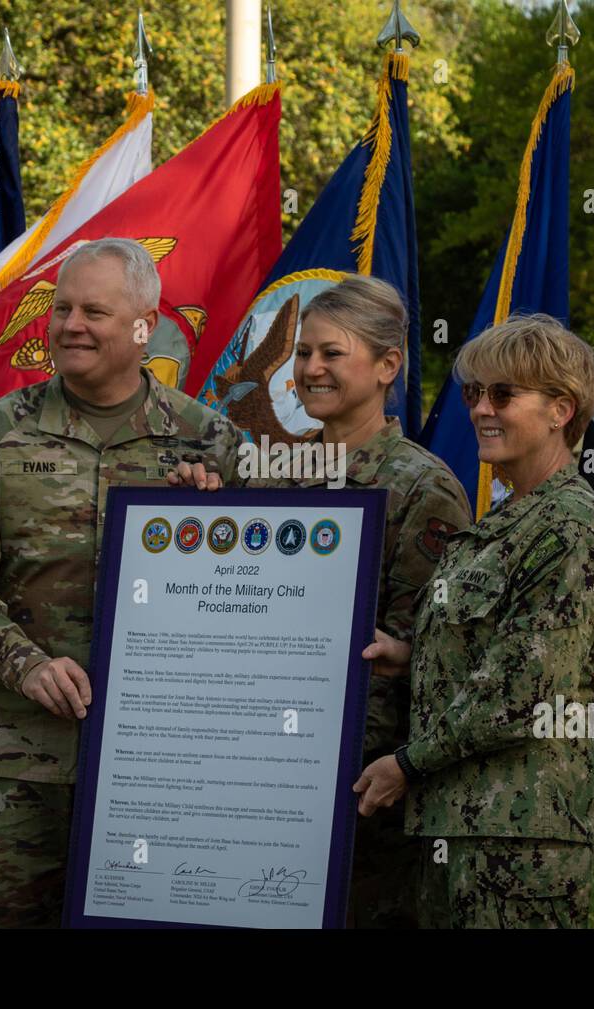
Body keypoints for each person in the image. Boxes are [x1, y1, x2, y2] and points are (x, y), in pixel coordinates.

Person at [0, 237, 237, 928]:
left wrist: (214, 520)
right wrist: (23, 664)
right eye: (62, 308)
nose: (71, 325)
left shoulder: (208, 441)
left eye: (95, 310)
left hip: (165, 762)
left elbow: (250, 596)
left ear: (144, 326)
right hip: (22, 756)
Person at [179, 275, 471, 927]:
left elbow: (436, 657)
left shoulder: (425, 491)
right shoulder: (267, 473)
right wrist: (185, 515)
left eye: (331, 354)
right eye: (303, 352)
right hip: (253, 781)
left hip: (358, 799)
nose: (309, 369)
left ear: (387, 366)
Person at [353, 313, 594, 930]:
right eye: (474, 393)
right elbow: (489, 647)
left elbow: (522, 691)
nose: (480, 409)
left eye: (503, 394)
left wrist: (407, 764)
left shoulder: (566, 526)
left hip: (520, 833)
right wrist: (411, 654)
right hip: (463, 821)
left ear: (561, 410)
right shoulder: (509, 518)